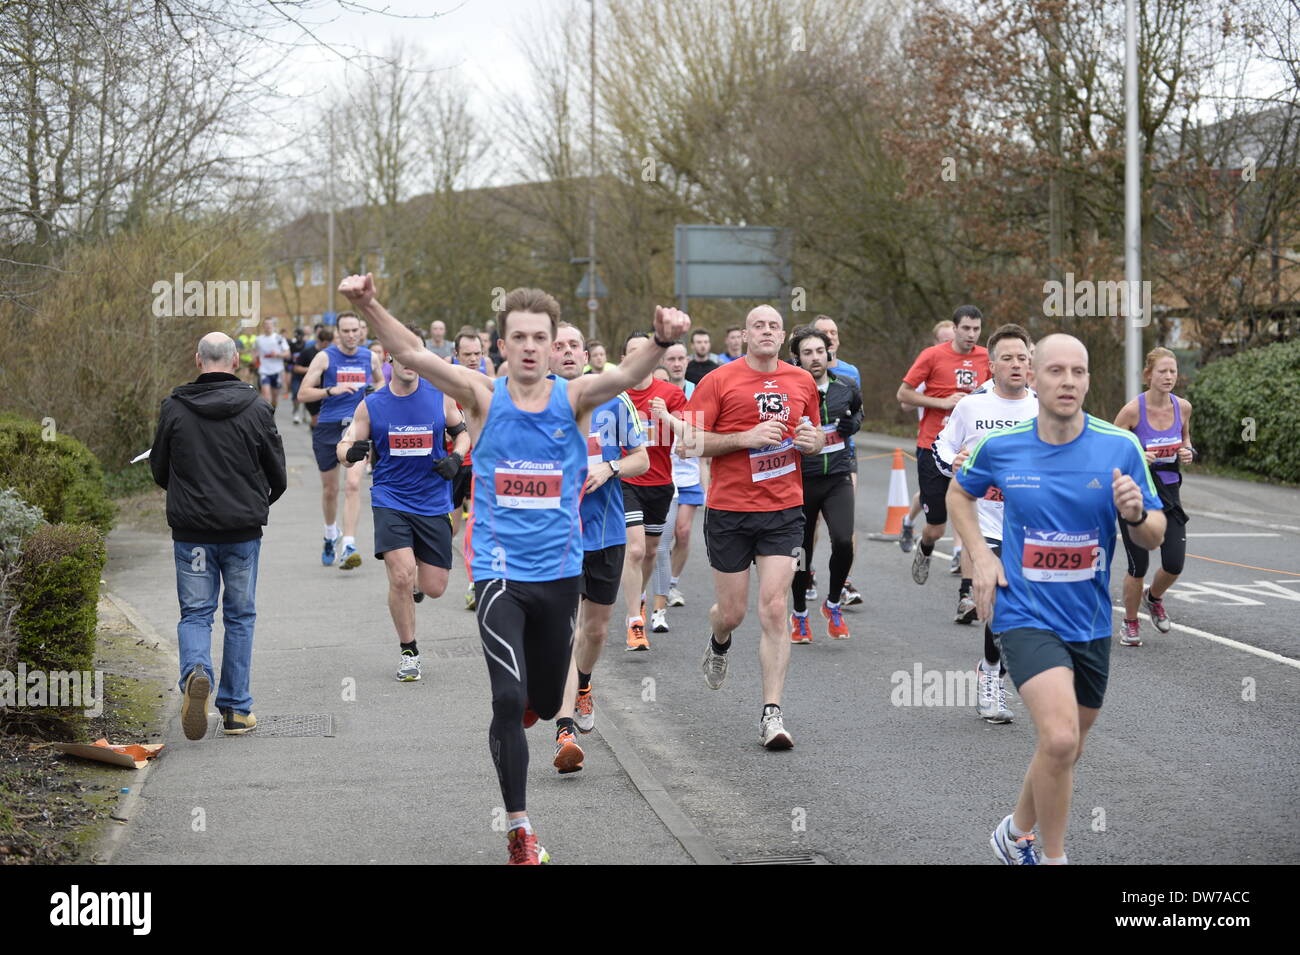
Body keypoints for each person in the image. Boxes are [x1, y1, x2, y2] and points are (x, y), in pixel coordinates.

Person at [341, 272, 690, 864]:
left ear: (555, 346)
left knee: (545, 693)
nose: (530, 346)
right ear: (502, 345)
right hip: (499, 573)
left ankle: (535, 704)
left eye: (540, 337)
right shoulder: (481, 396)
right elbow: (410, 352)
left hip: (559, 575)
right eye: (518, 336)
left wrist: (659, 341)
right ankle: (520, 829)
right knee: (508, 700)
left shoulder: (574, 398)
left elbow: (629, 375)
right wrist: (369, 304)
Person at [948, 333, 1165, 865]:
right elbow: (959, 493)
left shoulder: (1119, 446)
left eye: (1079, 372)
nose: (1068, 382)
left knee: (1065, 745)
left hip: (1090, 620)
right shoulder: (1003, 446)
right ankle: (1052, 856)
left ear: (1090, 379)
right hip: (1024, 613)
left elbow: (1154, 534)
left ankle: (1015, 831)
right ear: (1034, 378)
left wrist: (1136, 514)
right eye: (1056, 372)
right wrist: (981, 555)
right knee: (1062, 739)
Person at [659, 304, 824, 749]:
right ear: (745, 336)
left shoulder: (802, 380)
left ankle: (772, 714)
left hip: (784, 510)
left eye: (774, 325)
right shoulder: (718, 380)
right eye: (758, 326)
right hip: (730, 511)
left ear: (782, 334)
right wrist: (743, 439)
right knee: (731, 612)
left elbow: (814, 433)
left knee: (773, 607)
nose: (766, 331)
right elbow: (689, 442)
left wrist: (813, 441)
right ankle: (718, 639)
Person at [150, 333, 287, 739]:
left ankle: (196, 670)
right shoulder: (258, 408)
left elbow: (159, 468)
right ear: (237, 359)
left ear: (197, 360)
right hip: (242, 532)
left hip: (192, 533)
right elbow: (276, 473)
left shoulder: (174, 408)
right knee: (240, 615)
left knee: (196, 613)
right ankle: (236, 711)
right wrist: (257, 503)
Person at [547, 322, 650, 771]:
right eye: (560, 346)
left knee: (595, 630)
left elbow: (642, 459)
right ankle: (563, 729)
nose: (569, 352)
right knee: (566, 631)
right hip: (556, 534)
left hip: (605, 532)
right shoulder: (534, 401)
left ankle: (584, 684)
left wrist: (610, 468)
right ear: (547, 355)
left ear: (586, 354)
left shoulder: (614, 399)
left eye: (576, 345)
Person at [336, 353, 470, 681]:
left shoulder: (440, 396)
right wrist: (349, 454)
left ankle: (413, 587)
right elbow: (346, 442)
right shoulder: (373, 404)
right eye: (402, 357)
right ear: (389, 360)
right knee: (401, 576)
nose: (409, 363)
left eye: (415, 356)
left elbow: (463, 433)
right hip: (390, 498)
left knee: (434, 587)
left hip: (433, 501)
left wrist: (456, 456)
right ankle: (409, 651)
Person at [933, 323, 1037, 722]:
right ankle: (992, 677)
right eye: (1007, 358)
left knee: (1027, 611)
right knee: (1000, 604)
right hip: (984, 522)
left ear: (1031, 364)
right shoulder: (972, 406)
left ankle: (992, 665)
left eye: (1022, 358)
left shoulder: (1042, 408)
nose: (1015, 364)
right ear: (991, 364)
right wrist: (952, 461)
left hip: (1032, 526)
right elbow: (941, 445)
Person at [896, 305, 988, 593]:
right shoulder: (932, 356)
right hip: (933, 448)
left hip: (972, 451)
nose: (971, 334)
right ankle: (925, 546)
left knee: (971, 523)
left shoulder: (987, 358)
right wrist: (944, 402)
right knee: (936, 527)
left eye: (976, 329)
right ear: (956, 328)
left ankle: (966, 595)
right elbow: (904, 395)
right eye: (966, 329)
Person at [1113, 347, 1194, 647]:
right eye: (1162, 371)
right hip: (1136, 494)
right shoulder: (1133, 410)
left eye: (1173, 371)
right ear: (1148, 375)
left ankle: (1154, 597)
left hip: (1170, 494)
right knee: (1139, 566)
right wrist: (1136, 455)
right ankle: (1130, 622)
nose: (1169, 376)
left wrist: (1188, 451)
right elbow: (1110, 449)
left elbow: (1186, 441)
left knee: (1174, 564)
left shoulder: (1183, 407)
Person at [787, 325, 862, 642]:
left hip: (837, 477)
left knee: (844, 541)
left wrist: (851, 424)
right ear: (797, 358)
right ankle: (800, 613)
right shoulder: (788, 390)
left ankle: (832, 604)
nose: (815, 358)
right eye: (807, 353)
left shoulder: (846, 385)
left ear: (829, 353)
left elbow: (858, 413)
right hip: (801, 480)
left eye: (820, 351)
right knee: (800, 551)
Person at [297, 311, 385, 569]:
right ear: (338, 333)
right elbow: (303, 393)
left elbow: (381, 382)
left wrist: (375, 393)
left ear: (361, 331)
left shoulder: (371, 357)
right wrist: (329, 390)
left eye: (354, 330)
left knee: (353, 485)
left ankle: (349, 544)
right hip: (328, 427)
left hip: (357, 427)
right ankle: (329, 533)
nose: (350, 335)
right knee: (330, 490)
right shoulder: (325, 357)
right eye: (345, 331)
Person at [619, 332, 688, 650]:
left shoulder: (671, 394)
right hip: (624, 480)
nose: (639, 356)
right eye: (633, 351)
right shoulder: (614, 395)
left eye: (644, 351)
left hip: (660, 483)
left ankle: (640, 597)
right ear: (624, 359)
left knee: (649, 552)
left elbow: (694, 442)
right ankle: (635, 621)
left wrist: (667, 418)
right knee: (633, 550)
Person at [649, 342, 707, 631]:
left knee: (683, 533)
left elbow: (699, 442)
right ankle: (660, 583)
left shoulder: (696, 392)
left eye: (680, 358)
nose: (676, 363)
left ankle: (671, 583)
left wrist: (692, 449)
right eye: (670, 358)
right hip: (661, 475)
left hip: (687, 475)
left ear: (686, 361)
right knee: (658, 542)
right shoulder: (655, 389)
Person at [811, 314, 864, 605]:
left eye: (833, 331)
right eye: (823, 333)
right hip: (811, 459)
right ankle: (808, 572)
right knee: (814, 520)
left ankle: (844, 581)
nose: (830, 336)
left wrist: (853, 424)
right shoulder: (799, 375)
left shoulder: (850, 372)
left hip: (845, 454)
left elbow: (858, 409)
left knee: (845, 521)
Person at [898, 320, 956, 552]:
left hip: (959, 445)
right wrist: (939, 400)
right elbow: (905, 403)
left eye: (952, 339)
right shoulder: (931, 368)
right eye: (945, 340)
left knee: (959, 498)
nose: (950, 344)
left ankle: (959, 554)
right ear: (936, 343)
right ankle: (908, 522)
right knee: (927, 495)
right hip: (931, 441)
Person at [293, 327, 332, 429]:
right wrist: (312, 370)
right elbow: (296, 368)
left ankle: (316, 432)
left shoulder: (331, 354)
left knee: (322, 420)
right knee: (316, 419)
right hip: (311, 390)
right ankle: (314, 431)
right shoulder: (307, 352)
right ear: (319, 340)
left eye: (329, 343)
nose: (326, 345)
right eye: (325, 343)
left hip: (326, 390)